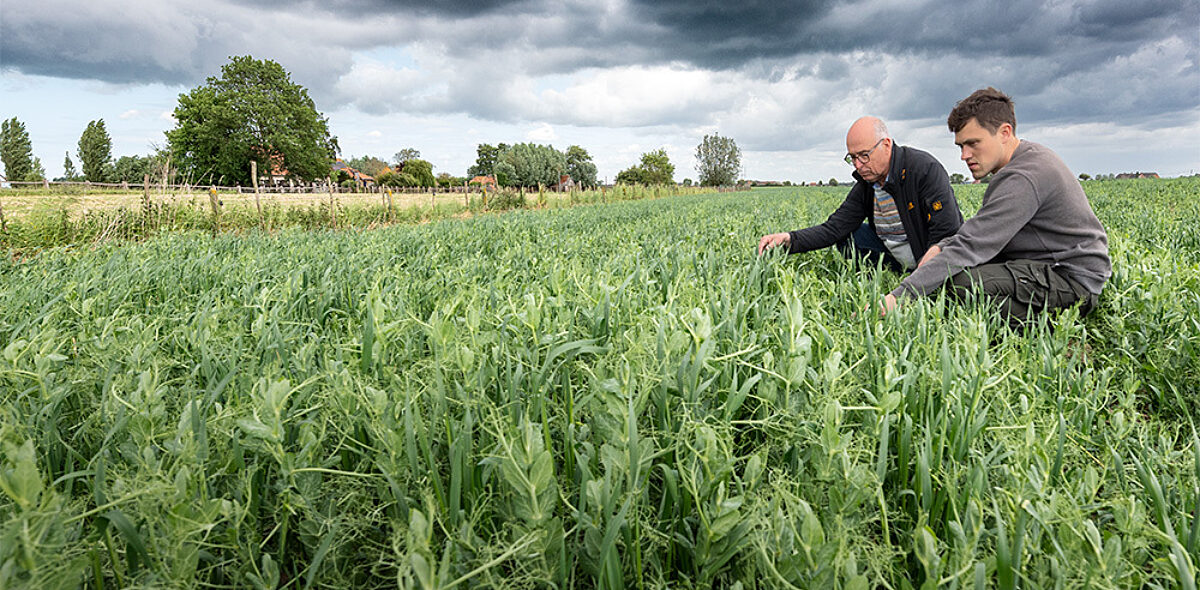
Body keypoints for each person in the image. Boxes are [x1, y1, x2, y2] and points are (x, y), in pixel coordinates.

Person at [881, 88, 1111, 327]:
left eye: (973, 143)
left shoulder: (1025, 176)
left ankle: (1053, 327)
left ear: (1004, 132)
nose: (964, 155)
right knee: (950, 275)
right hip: (1044, 266)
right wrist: (941, 247)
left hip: (1072, 281)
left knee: (961, 284)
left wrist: (898, 297)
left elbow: (971, 246)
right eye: (961, 146)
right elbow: (982, 229)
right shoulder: (1022, 162)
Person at [758, 117, 963, 273]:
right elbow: (835, 227)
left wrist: (921, 278)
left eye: (864, 156)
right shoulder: (868, 183)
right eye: (853, 158)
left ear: (886, 145)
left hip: (925, 252)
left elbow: (947, 233)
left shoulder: (924, 170)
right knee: (849, 237)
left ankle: (914, 274)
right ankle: (889, 272)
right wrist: (789, 239)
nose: (858, 165)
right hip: (893, 253)